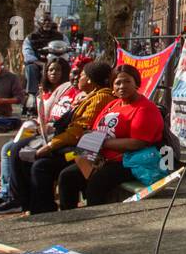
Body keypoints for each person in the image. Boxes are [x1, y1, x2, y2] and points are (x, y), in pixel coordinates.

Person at [0, 58, 114, 214]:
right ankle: (28, 203)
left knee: (41, 164)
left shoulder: (100, 97)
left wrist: (50, 146)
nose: (77, 78)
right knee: (19, 151)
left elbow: (76, 132)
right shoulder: (89, 96)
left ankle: (39, 208)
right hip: (74, 142)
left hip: (84, 148)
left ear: (90, 79)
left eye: (82, 74)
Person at [57, 64, 165, 209]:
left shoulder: (145, 108)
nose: (122, 86)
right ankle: (68, 218)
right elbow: (95, 131)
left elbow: (138, 143)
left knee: (96, 183)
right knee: (67, 176)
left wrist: (103, 144)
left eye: (127, 81)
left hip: (128, 161)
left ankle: (96, 222)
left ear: (136, 83)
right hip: (102, 157)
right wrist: (88, 154)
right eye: (117, 82)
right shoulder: (113, 104)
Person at [0, 57, 76, 210]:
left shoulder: (71, 92)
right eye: (50, 70)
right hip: (40, 132)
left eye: (58, 70)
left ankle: (19, 199)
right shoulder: (44, 91)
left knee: (19, 152)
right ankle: (6, 193)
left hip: (56, 138)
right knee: (8, 148)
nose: (53, 73)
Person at [23, 16, 64, 102]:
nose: (47, 23)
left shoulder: (61, 36)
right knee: (30, 68)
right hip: (38, 63)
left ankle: (63, 92)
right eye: (44, 21)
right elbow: (28, 55)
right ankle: (32, 96)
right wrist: (42, 64)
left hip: (56, 62)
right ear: (39, 23)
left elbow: (67, 48)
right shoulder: (30, 38)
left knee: (65, 67)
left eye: (49, 21)